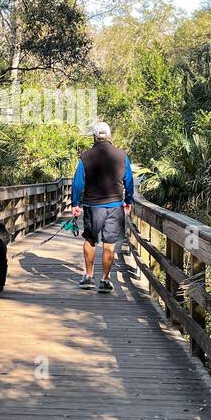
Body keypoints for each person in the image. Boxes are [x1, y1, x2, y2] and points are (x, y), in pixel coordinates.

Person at [70, 121, 135, 293]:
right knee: (109, 244)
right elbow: (129, 181)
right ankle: (105, 280)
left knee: (90, 240)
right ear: (109, 136)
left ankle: (89, 277)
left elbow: (78, 183)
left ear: (94, 136)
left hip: (92, 206)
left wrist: (75, 203)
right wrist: (128, 201)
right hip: (114, 206)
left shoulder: (86, 156)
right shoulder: (122, 156)